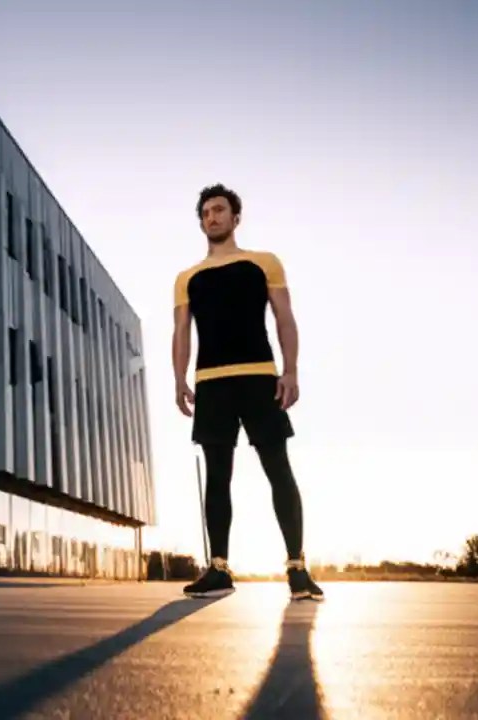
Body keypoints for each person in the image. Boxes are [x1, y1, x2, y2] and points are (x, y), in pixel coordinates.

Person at [171, 183, 324, 602]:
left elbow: (285, 318)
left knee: (278, 468)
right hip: (211, 384)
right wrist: (179, 379)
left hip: (260, 378)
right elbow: (181, 331)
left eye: (219, 210)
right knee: (217, 476)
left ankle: (297, 569)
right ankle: (218, 569)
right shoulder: (188, 277)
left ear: (236, 218)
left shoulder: (263, 263)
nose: (212, 217)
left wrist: (290, 370)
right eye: (205, 212)